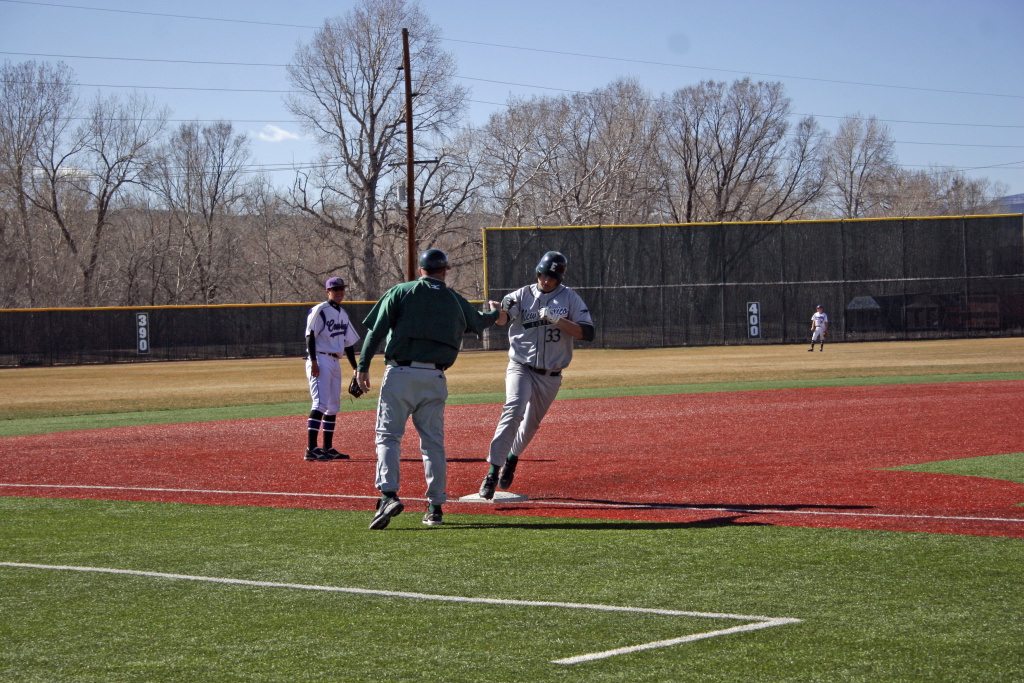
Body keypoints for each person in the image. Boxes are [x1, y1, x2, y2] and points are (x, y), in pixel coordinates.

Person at [357, 249, 503, 529]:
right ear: (445, 270)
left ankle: (388, 494)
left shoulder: (401, 291)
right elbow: (480, 321)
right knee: (433, 444)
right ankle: (435, 507)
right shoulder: (454, 299)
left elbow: (375, 330)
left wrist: (362, 366)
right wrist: (496, 312)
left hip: (400, 373)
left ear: (420, 269)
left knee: (388, 437)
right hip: (435, 377)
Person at [478, 251, 595, 500]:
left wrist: (559, 320)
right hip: (520, 365)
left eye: (551, 277)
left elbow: (587, 332)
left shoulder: (570, 298)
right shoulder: (522, 294)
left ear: (559, 279)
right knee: (513, 409)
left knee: (531, 424)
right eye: (543, 274)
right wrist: (498, 310)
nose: (546, 280)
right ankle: (491, 472)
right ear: (537, 272)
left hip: (550, 374)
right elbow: (502, 321)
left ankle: (511, 459)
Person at [304, 276, 361, 461]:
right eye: (335, 289)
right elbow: (310, 335)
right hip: (320, 357)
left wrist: (355, 368)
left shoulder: (343, 314)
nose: (339, 292)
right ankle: (311, 449)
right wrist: (313, 361)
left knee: (333, 407)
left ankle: (327, 448)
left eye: (341, 289)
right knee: (320, 403)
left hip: (335, 360)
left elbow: (349, 344)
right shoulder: (320, 310)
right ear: (327, 292)